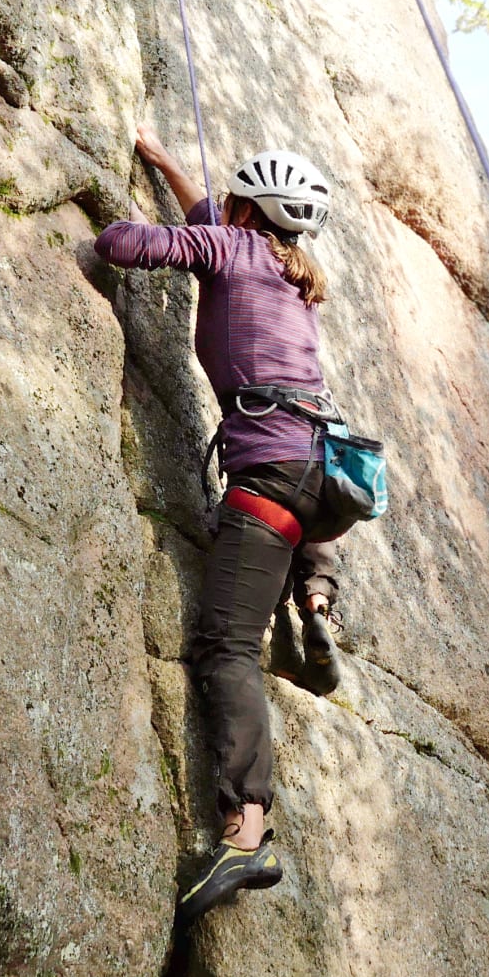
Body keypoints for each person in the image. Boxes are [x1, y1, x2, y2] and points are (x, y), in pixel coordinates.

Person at [95, 126, 348, 927]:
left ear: (242, 212)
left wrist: (124, 222)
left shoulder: (229, 249)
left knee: (224, 645)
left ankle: (249, 830)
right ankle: (316, 605)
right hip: (321, 478)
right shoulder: (289, 269)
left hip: (266, 479)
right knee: (283, 544)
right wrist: (168, 161)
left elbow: (126, 244)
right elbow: (217, 221)